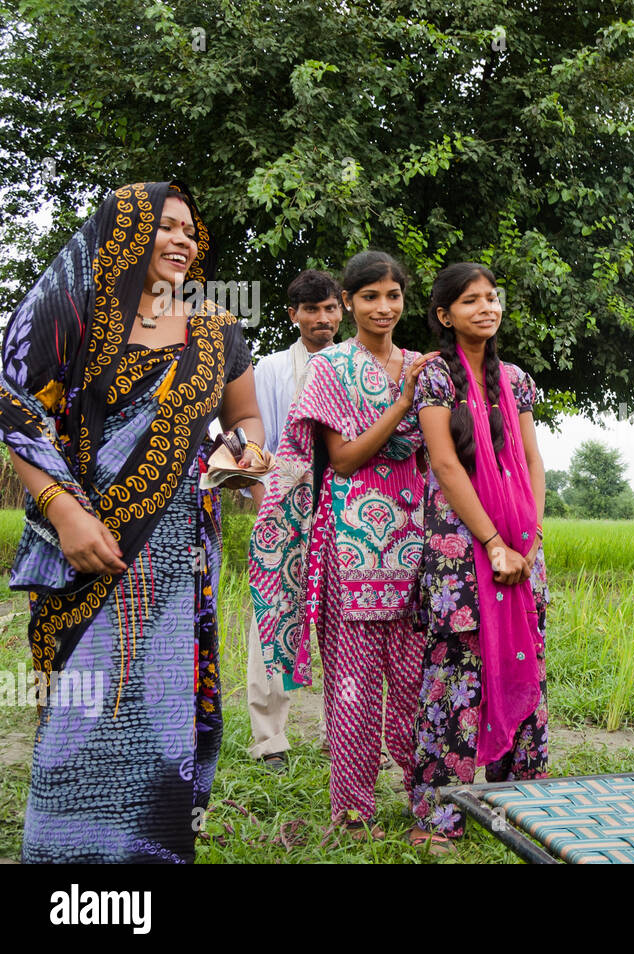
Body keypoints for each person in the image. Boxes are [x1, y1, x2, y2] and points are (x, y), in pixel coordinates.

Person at [0, 181, 262, 862]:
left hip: (180, 549)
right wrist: (64, 513)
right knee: (84, 710)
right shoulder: (79, 311)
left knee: (165, 702)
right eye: (165, 226)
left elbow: (246, 421)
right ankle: (68, 866)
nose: (182, 240)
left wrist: (246, 452)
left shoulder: (216, 326)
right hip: (89, 537)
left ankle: (154, 852)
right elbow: (11, 400)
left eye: (190, 230)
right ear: (123, 233)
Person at [250, 250, 431, 833]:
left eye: (393, 295)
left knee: (415, 686)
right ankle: (353, 812)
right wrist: (401, 404)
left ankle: (426, 799)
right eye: (370, 296)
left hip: (418, 546)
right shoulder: (330, 368)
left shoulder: (424, 365)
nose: (384, 307)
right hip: (350, 545)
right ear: (349, 302)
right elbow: (346, 460)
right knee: (351, 696)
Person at [408, 262, 548, 846]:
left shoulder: (515, 380)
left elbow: (534, 462)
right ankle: (440, 818)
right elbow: (444, 464)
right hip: (460, 549)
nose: (487, 308)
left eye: (493, 298)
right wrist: (492, 542)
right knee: (457, 676)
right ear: (445, 315)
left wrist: (527, 541)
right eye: (471, 301)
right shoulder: (435, 378)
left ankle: (521, 811)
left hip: (520, 547)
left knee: (522, 664)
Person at [243, 269, 342, 771]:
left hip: (347, 504)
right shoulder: (270, 369)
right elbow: (251, 441)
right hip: (284, 499)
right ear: (294, 315)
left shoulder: (359, 365)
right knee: (272, 616)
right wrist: (268, 498)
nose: (322, 319)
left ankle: (344, 733)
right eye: (311, 310)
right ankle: (269, 740)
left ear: (341, 310)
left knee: (347, 625)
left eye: (329, 309)